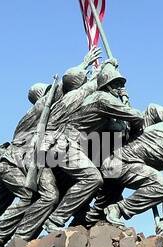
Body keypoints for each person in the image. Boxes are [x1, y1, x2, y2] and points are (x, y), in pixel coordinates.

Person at [0, 48, 100, 247]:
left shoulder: (40, 114)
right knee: (41, 195)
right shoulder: (39, 108)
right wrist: (84, 68)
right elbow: (66, 87)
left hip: (13, 161)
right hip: (17, 161)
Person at [30, 58, 146, 234]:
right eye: (115, 84)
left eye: (120, 85)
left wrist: (124, 100)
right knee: (93, 178)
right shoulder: (103, 98)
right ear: (106, 85)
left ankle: (80, 218)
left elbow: (119, 127)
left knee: (97, 179)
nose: (118, 88)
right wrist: (132, 116)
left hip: (66, 145)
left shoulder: (101, 100)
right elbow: (135, 116)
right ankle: (55, 220)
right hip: (63, 144)